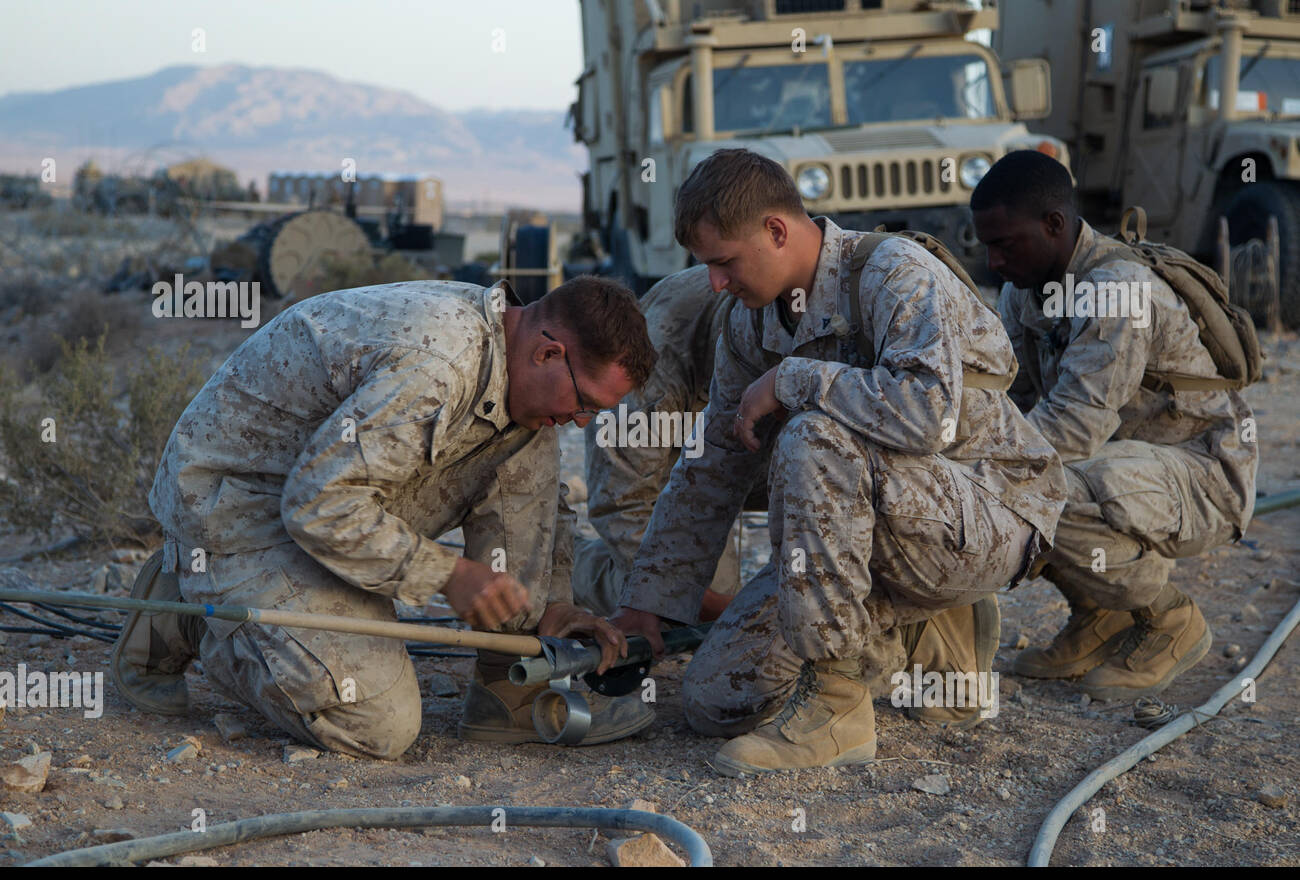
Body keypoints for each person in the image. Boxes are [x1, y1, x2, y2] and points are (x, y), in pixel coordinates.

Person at [611, 149, 1067, 776]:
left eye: (723, 262)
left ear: (776, 230)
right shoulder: (750, 324)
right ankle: (911, 635)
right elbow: (712, 464)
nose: (715, 284)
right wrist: (651, 601)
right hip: (872, 536)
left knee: (812, 436)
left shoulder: (892, 273)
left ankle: (836, 704)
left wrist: (795, 379)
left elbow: (928, 413)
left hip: (988, 509)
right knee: (716, 700)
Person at [113, 276, 658, 759]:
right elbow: (319, 505)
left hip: (327, 491)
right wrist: (445, 575)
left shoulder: (505, 346)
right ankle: (190, 607)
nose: (581, 422)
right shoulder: (437, 366)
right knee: (377, 725)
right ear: (547, 353)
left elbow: (535, 500)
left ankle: (508, 688)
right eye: (585, 402)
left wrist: (550, 607)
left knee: (528, 441)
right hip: (237, 510)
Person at [971, 150, 1257, 700]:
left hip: (1205, 475)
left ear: (1054, 225)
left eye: (1005, 244)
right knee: (1012, 476)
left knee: (1037, 485)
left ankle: (1169, 620)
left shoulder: (1117, 290)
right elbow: (1009, 404)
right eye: (987, 245)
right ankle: (1100, 616)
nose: (994, 261)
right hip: (1129, 466)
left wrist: (977, 473)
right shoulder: (1023, 292)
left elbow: (1071, 429)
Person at [573, 265, 746, 621]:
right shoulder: (658, 361)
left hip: (754, 451)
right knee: (674, 608)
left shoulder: (847, 303)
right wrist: (715, 607)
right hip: (682, 443)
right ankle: (562, 566)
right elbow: (625, 503)